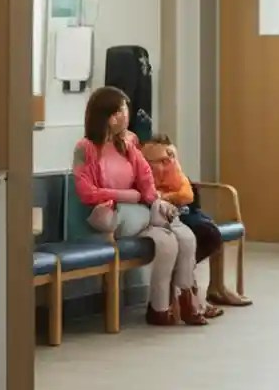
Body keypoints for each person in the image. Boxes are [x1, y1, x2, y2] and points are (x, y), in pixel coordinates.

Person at [73, 87, 208, 326]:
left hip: (139, 215)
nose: (127, 115)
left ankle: (162, 307)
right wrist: (130, 196)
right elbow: (87, 193)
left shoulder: (130, 141)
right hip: (107, 216)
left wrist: (149, 197)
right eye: (123, 110)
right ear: (109, 115)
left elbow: (144, 178)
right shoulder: (86, 148)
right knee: (166, 221)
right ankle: (167, 221)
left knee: (178, 240)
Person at [141, 135, 253, 309]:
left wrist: (166, 194)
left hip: (187, 209)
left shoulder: (174, 171)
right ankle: (189, 291)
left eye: (170, 158)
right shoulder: (144, 171)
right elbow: (152, 195)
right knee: (204, 233)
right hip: (169, 215)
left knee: (211, 230)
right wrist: (165, 197)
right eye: (162, 160)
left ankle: (215, 287)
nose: (168, 163)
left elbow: (187, 195)